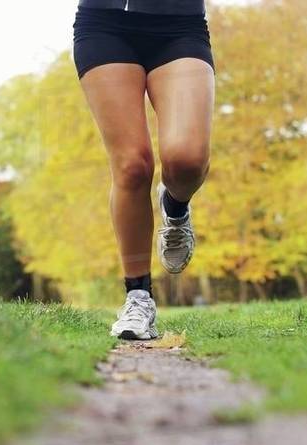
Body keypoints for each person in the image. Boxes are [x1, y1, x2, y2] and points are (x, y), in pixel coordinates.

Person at [72, 0, 215, 340]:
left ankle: (176, 206)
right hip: (103, 25)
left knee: (187, 159)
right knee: (132, 165)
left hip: (180, 26)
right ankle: (138, 296)